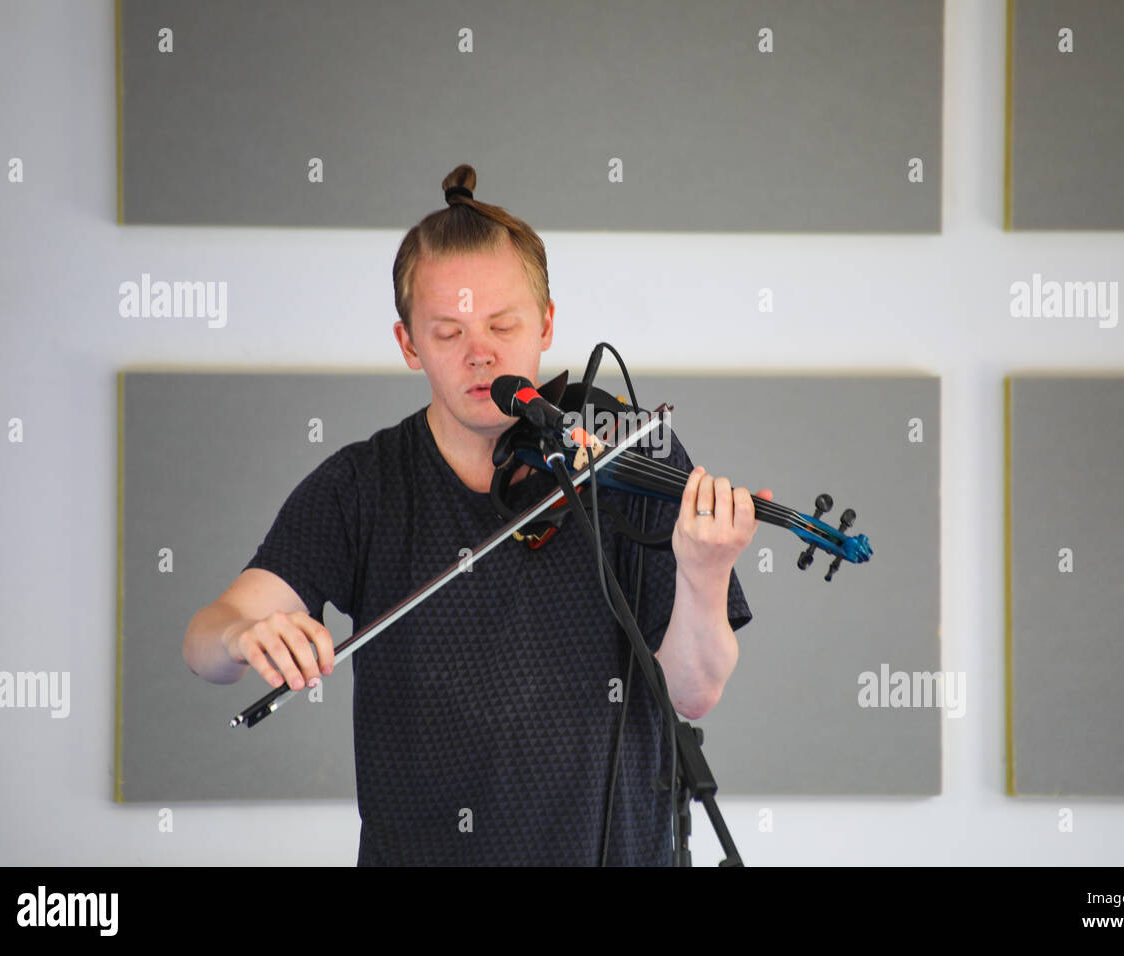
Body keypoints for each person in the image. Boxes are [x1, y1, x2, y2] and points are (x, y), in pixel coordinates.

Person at [182, 164, 771, 865]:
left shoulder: (629, 454)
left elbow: (693, 694)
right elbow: (205, 643)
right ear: (408, 345)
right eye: (448, 332)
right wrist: (247, 634)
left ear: (546, 323)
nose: (482, 354)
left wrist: (705, 574)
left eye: (502, 323)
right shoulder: (360, 485)